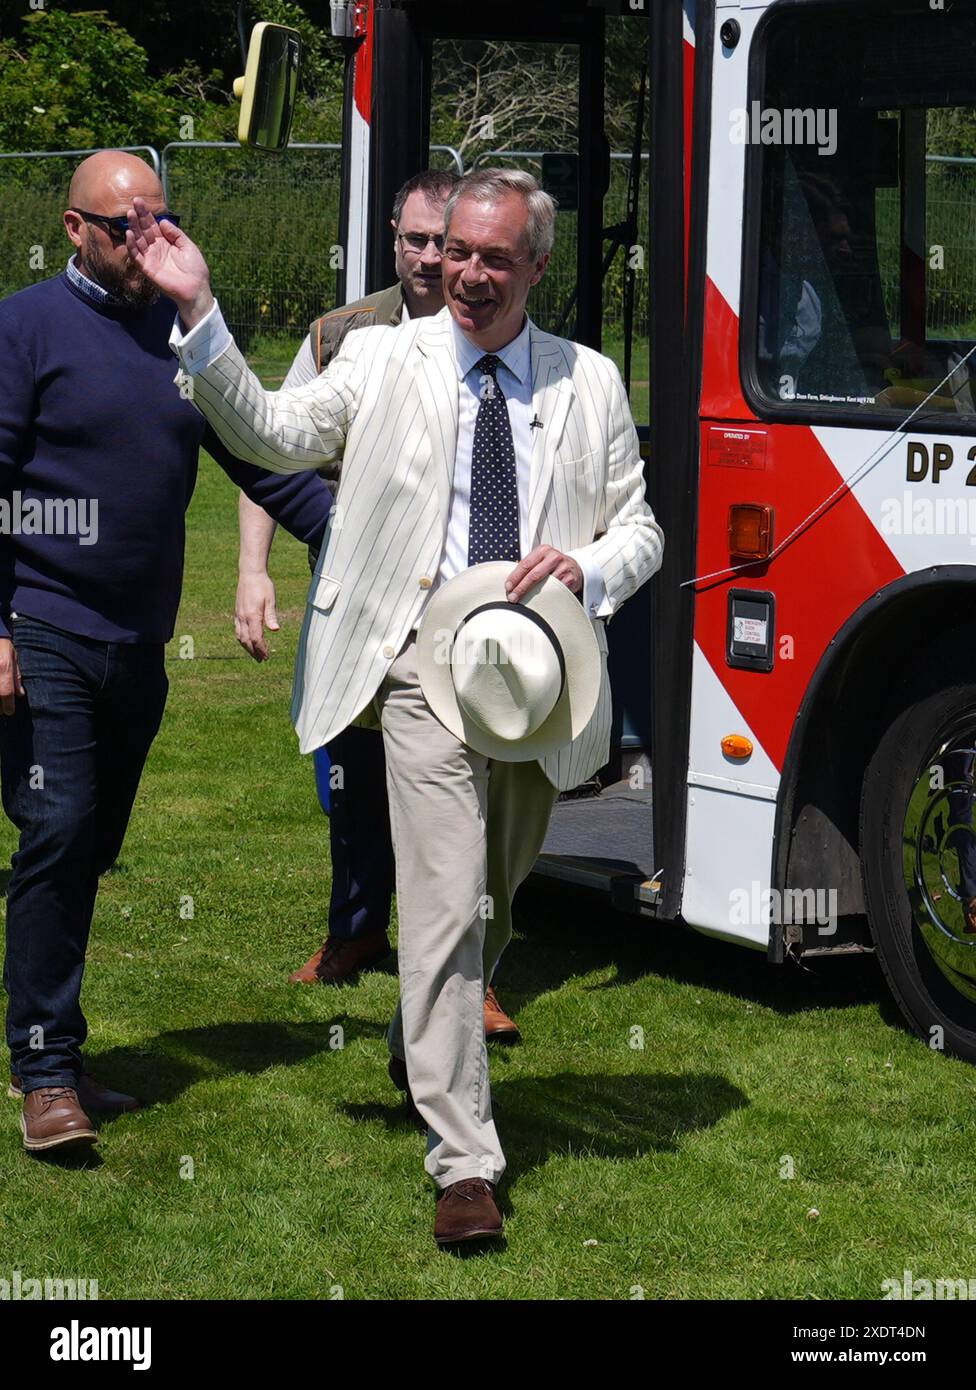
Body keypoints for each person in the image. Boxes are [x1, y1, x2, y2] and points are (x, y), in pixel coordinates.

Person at [126, 167, 664, 1245]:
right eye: (454, 251)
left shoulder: (589, 382)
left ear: (536, 268)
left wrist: (589, 569)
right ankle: (465, 1163)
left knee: (496, 901)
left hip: (540, 679)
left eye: (492, 259)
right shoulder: (378, 355)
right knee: (444, 897)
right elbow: (274, 432)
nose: (465, 273)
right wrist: (198, 311)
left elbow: (640, 530)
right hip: (420, 668)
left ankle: (422, 1039)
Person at [0, 151, 333, 1153]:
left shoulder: (185, 337)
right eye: (120, 225)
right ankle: (47, 1072)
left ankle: (51, 1026)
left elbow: (262, 456)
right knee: (58, 830)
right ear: (72, 230)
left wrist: (365, 535)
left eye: (159, 221)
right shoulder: (24, 327)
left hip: (138, 641)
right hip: (43, 620)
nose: (143, 241)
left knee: (86, 848)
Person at [236, 169, 520, 1041]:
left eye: (448, 242)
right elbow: (270, 442)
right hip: (357, 594)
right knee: (354, 778)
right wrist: (254, 571)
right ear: (393, 240)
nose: (434, 258)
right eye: (418, 240)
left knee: (468, 789)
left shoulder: (503, 335)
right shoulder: (342, 334)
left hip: (466, 604)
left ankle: (471, 978)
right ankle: (354, 933)